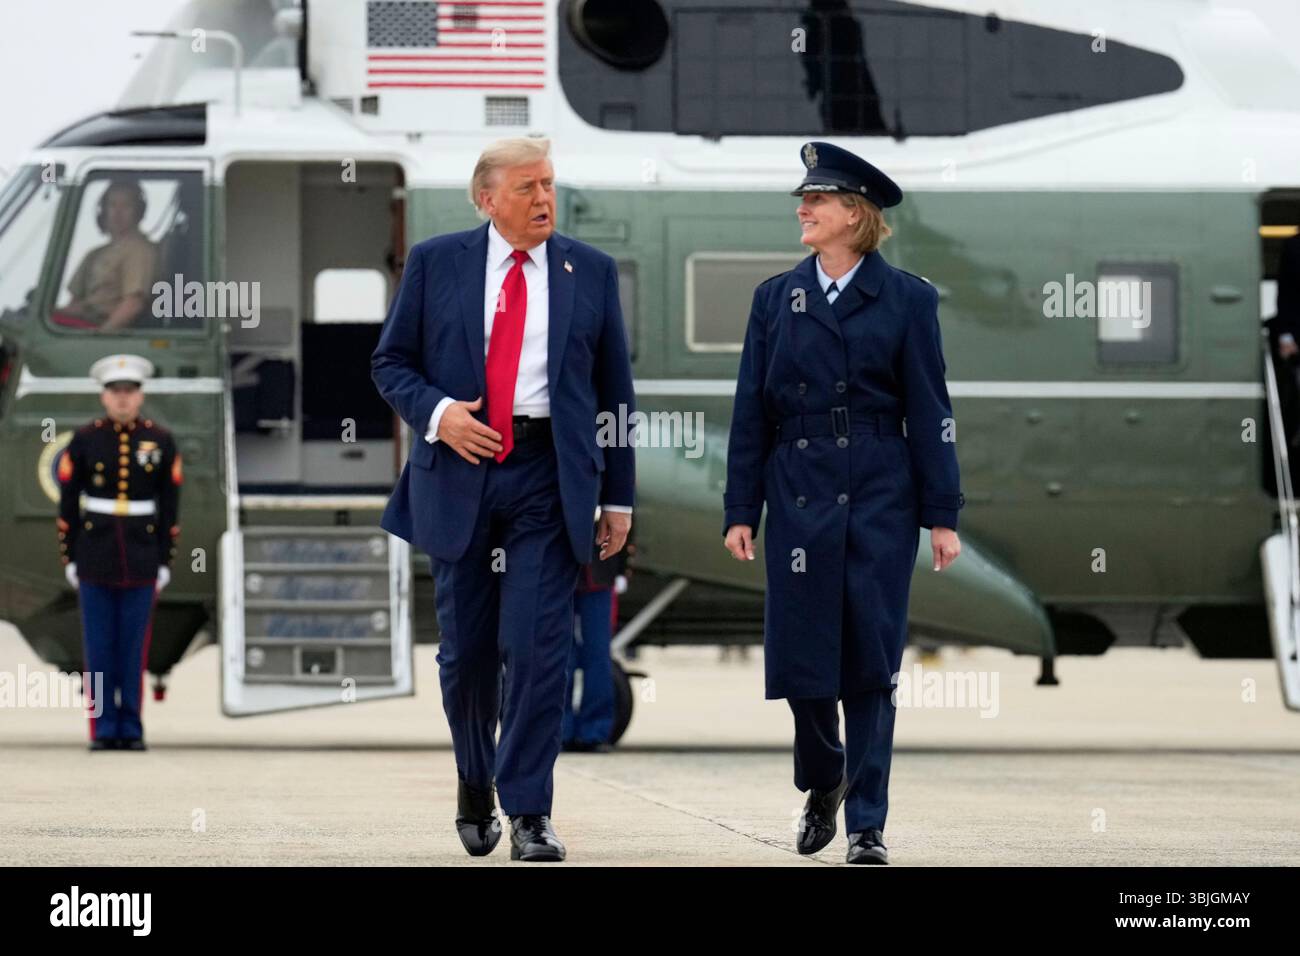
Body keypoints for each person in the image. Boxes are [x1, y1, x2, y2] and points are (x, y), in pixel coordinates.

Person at [371, 136, 635, 862]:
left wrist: (619, 497)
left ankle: (529, 811)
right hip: (459, 470)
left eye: (549, 184)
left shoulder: (591, 270)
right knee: (467, 654)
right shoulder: (436, 262)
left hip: (548, 476)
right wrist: (438, 414)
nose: (544, 199)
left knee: (538, 645)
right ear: (487, 199)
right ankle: (472, 777)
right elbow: (390, 361)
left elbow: (616, 391)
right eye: (527, 188)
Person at [722, 141, 964, 865]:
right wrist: (741, 509)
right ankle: (823, 777)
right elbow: (749, 412)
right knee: (802, 664)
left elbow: (930, 409)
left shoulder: (909, 299)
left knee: (869, 665)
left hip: (879, 496)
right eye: (805, 200)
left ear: (854, 215)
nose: (803, 209)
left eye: (817, 201)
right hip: (796, 494)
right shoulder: (774, 298)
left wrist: (942, 514)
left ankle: (866, 823)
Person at [57, 354, 181, 751]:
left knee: (133, 649)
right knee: (99, 647)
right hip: (95, 555)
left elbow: (170, 507)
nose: (123, 399)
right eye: (115, 392)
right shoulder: (85, 439)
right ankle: (102, 728)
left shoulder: (161, 440)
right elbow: (68, 503)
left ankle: (130, 726)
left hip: (142, 557)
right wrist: (71, 557)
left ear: (140, 395)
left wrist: (164, 560)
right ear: (104, 397)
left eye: (129, 391)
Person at [54, 180, 158, 333]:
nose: (117, 212)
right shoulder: (94, 254)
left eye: (126, 206)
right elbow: (75, 302)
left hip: (101, 329)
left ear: (139, 211)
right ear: (103, 210)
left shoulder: (139, 250)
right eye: (112, 205)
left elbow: (133, 303)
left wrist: (101, 335)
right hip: (81, 322)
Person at [561, 517, 628, 752]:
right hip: (560, 571)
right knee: (559, 654)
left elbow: (624, 517)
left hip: (599, 573)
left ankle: (595, 731)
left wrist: (621, 568)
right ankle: (560, 730)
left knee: (598, 655)